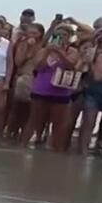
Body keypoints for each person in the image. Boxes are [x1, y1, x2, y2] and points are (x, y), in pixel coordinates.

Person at [20, 23, 80, 151]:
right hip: (41, 89)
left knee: (59, 124)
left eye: (65, 35)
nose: (62, 37)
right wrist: (48, 52)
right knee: (34, 119)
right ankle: (22, 147)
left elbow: (71, 66)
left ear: (69, 37)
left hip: (61, 91)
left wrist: (60, 53)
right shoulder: (43, 51)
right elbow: (38, 67)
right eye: (58, 35)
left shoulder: (72, 51)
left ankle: (56, 150)